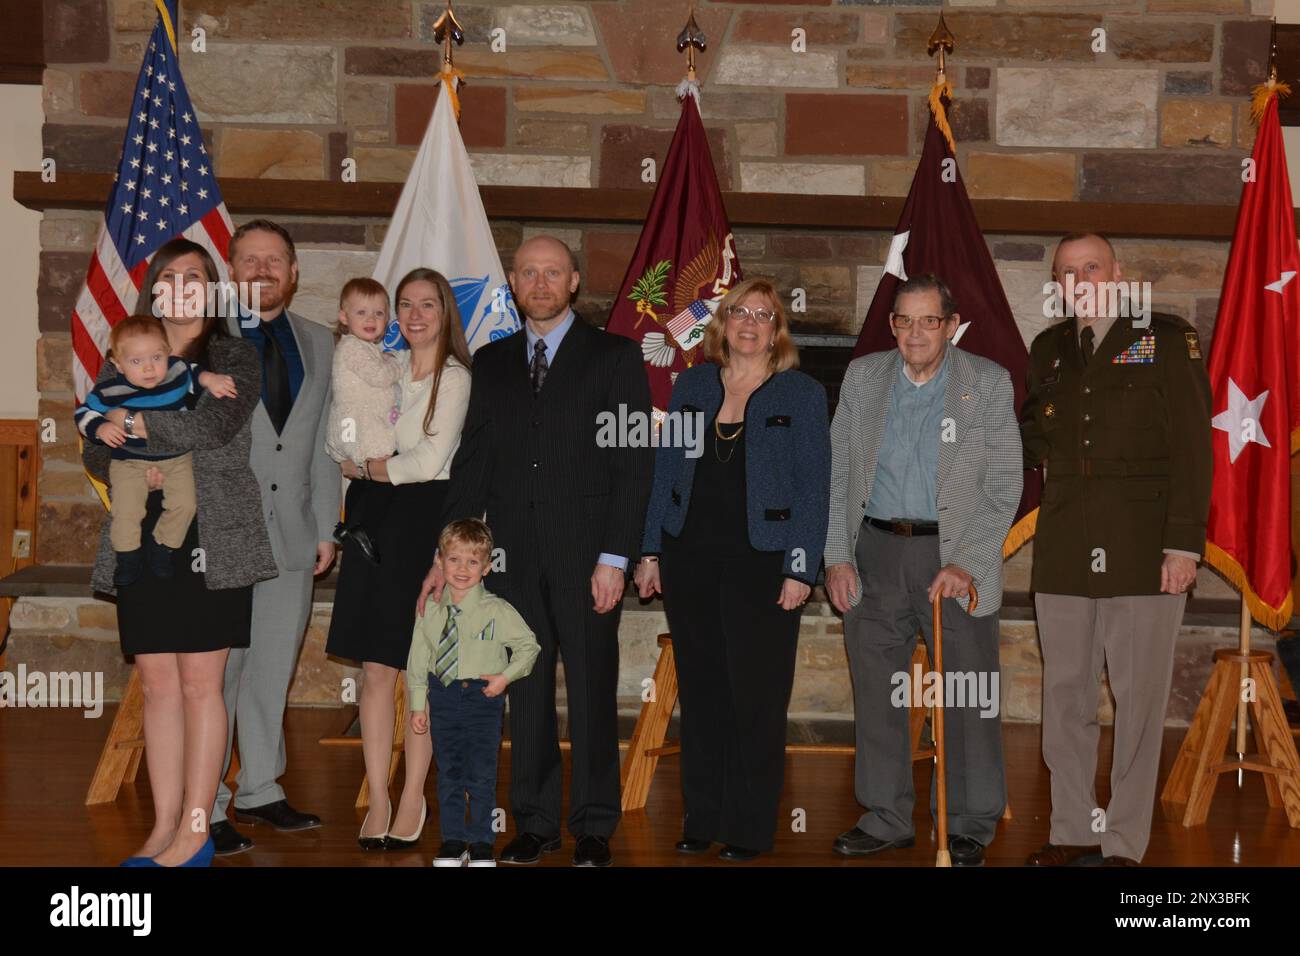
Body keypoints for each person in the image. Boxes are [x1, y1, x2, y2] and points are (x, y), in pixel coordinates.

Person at [418, 235, 653, 867]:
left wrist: (616, 558)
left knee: (591, 690)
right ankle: (535, 823)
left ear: (574, 281)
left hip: (589, 561)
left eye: (553, 272)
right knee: (520, 689)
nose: (541, 283)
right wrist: (447, 558)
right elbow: (472, 467)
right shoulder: (492, 363)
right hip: (511, 561)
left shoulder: (615, 357)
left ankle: (595, 825)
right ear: (514, 284)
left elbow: (635, 466)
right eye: (529, 273)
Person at [83, 237, 277, 867]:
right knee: (157, 684)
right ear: (155, 288)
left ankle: (198, 826)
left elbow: (211, 429)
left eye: (197, 276)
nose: (184, 286)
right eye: (172, 276)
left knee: (202, 686)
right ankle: (165, 825)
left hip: (213, 536)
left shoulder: (234, 355)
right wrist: (119, 453)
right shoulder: (125, 356)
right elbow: (90, 440)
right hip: (142, 541)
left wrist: (135, 432)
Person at [1021, 233, 1212, 867]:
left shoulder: (1165, 337)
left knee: (1138, 703)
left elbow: (1192, 448)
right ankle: (1073, 831)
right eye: (1066, 272)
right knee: (1066, 697)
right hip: (1066, 546)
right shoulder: (1048, 349)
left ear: (1118, 272)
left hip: (1143, 549)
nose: (1079, 280)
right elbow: (1030, 434)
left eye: (1091, 268)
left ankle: (1123, 845)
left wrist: (1183, 545)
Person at [823, 273, 1023, 867]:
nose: (915, 332)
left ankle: (967, 821)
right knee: (879, 692)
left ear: (951, 325)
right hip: (874, 553)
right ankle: (885, 816)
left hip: (952, 558)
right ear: (891, 326)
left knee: (965, 692)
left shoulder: (986, 383)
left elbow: (1004, 486)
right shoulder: (863, 377)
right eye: (904, 320)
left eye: (928, 321)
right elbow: (836, 472)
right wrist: (835, 554)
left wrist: (968, 562)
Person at [635, 277, 830, 861]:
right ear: (722, 324)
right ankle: (703, 817)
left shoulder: (799, 394)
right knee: (703, 693)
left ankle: (748, 827)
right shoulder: (694, 384)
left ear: (777, 331)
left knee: (757, 698)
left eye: (763, 314)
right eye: (739, 312)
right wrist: (648, 551)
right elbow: (666, 472)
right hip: (688, 558)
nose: (749, 322)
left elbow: (813, 488)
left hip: (764, 565)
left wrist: (802, 569)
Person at [325, 268, 472, 851]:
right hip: (369, 520)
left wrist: (364, 465)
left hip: (421, 522)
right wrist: (355, 460)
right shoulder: (374, 367)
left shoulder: (455, 378)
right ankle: (378, 796)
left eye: (426, 304)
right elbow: (338, 438)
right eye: (404, 304)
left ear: (445, 313)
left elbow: (429, 460)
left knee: (419, 667)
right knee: (375, 668)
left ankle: (413, 792)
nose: (414, 315)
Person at [207, 218, 340, 855]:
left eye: (275, 261)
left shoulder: (320, 341)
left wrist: (327, 529)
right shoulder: (202, 340)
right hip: (223, 533)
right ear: (232, 270)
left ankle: (260, 788)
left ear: (293, 273)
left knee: (271, 668)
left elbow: (318, 444)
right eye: (250, 259)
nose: (262, 270)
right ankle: (207, 803)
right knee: (220, 671)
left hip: (294, 535)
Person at [408, 519, 540, 867]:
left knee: (481, 772)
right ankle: (453, 840)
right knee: (449, 770)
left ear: (486, 567)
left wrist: (504, 678)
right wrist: (418, 704)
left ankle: (481, 840)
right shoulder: (431, 608)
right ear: (439, 561)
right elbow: (419, 657)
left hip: (483, 698)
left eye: (472, 562)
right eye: (454, 560)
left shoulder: (497, 609)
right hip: (442, 695)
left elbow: (529, 647)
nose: (462, 569)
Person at [76, 314, 236, 584]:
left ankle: (163, 547)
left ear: (168, 353)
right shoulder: (110, 389)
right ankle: (127, 558)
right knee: (127, 510)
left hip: (177, 458)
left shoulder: (176, 372)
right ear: (118, 363)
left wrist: (211, 380)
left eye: (156, 358)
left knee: (185, 504)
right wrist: (101, 428)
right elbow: (84, 413)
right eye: (136, 361)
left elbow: (193, 373)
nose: (149, 368)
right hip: (129, 461)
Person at [325, 277, 402, 564]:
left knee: (369, 481)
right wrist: (396, 362)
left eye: (379, 313)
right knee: (373, 475)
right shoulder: (352, 348)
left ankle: (356, 527)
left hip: (360, 426)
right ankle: (352, 527)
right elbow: (381, 377)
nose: (371, 319)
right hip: (355, 429)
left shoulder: (366, 348)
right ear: (344, 317)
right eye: (361, 312)